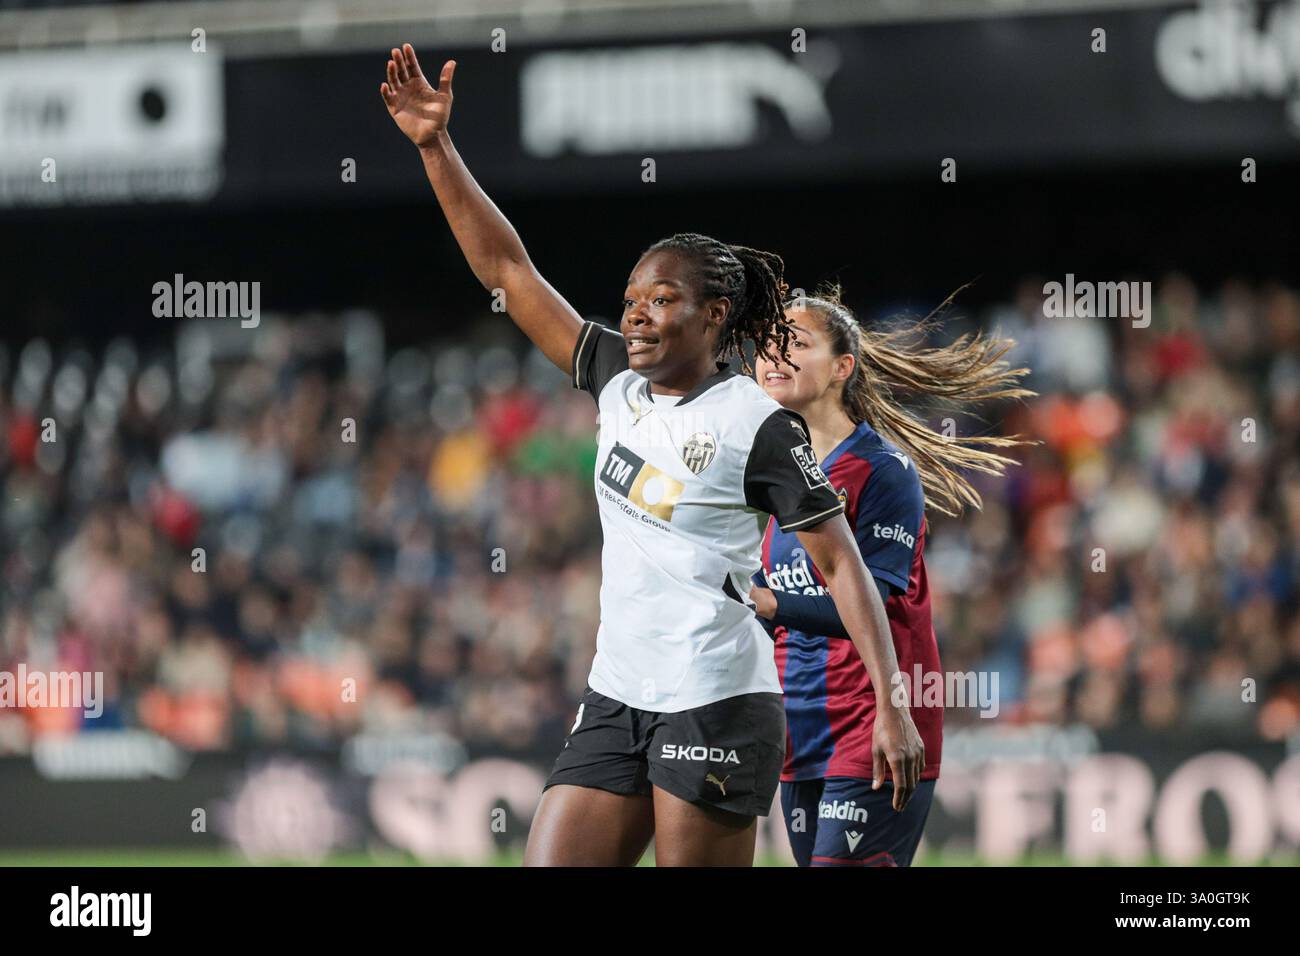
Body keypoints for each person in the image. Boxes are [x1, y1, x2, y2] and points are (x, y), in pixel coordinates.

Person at [380, 45, 923, 866]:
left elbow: (845, 567)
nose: (635, 317)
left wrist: (892, 703)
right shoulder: (611, 382)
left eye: (662, 301)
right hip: (616, 697)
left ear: (714, 316)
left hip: (717, 703)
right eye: (632, 300)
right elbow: (507, 268)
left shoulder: (756, 425)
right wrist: (435, 147)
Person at [751, 286, 1032, 866]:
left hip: (874, 723)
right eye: (766, 344)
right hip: (798, 730)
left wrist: (768, 604)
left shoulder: (882, 471)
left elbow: (868, 603)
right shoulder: (778, 476)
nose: (773, 355)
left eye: (795, 343)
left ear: (841, 368)